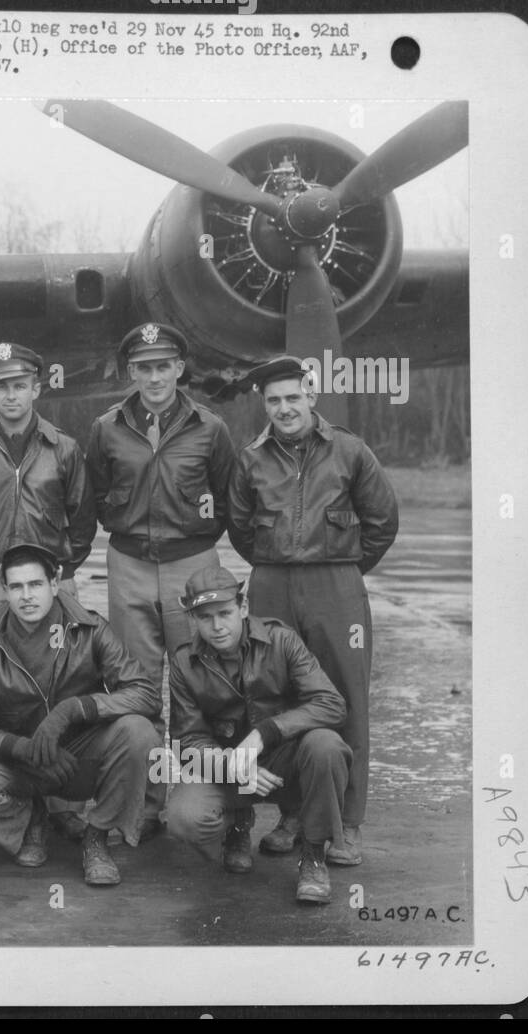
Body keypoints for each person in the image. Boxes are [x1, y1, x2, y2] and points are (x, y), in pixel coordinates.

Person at [228, 355, 398, 866]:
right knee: (274, 697)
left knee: (346, 697)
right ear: (265, 404)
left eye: (293, 397)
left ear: (312, 395)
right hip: (272, 582)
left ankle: (346, 824)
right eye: (274, 400)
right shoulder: (251, 458)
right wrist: (276, 564)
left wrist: (342, 570)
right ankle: (293, 814)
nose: (284, 408)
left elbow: (382, 521)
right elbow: (239, 527)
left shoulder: (350, 450)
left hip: (336, 584)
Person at [85, 322, 236, 837]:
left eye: (163, 366)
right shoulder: (107, 428)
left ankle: (201, 798)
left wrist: (194, 533)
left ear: (179, 368)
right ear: (132, 371)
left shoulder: (210, 428)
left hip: (191, 562)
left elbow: (227, 495)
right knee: (138, 686)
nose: (154, 377)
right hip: (127, 561)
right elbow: (97, 493)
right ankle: (146, 803)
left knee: (203, 677)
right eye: (143, 368)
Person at [0, 544, 162, 886]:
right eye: (16, 587)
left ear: (55, 584)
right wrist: (18, 748)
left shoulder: (90, 629)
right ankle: (32, 817)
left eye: (35, 585)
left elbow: (145, 694)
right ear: (4, 590)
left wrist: (76, 709)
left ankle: (97, 835)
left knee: (139, 733)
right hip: (19, 761)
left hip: (79, 756)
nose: (26, 596)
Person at [0, 341, 98, 843]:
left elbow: (82, 517)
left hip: (52, 580)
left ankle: (59, 801)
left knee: (62, 682)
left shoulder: (65, 448)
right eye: (1, 387)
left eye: (20, 385)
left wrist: (58, 571)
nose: (11, 395)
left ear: (37, 388)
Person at [164, 565, 351, 904]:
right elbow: (187, 741)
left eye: (225, 613)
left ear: (244, 607)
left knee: (326, 746)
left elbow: (332, 704)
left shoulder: (281, 640)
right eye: (205, 617)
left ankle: (313, 854)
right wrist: (231, 765)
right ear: (193, 619)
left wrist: (265, 733)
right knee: (183, 819)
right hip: (228, 766)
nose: (217, 626)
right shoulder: (183, 662)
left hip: (285, 757)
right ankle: (237, 822)